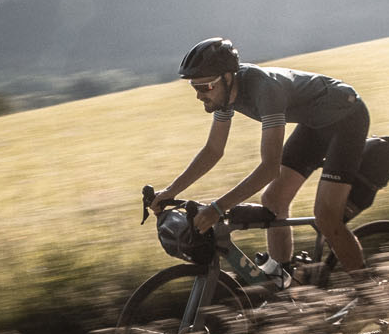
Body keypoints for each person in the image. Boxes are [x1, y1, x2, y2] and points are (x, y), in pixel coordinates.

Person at [152, 36, 373, 286]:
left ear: (227, 77)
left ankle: (368, 293)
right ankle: (285, 285)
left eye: (206, 87)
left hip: (348, 119)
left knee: (325, 216)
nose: (200, 96)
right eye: (195, 88)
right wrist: (171, 191)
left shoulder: (265, 90)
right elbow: (213, 150)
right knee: (273, 200)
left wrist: (217, 209)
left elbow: (269, 168)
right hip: (316, 123)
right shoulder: (224, 96)